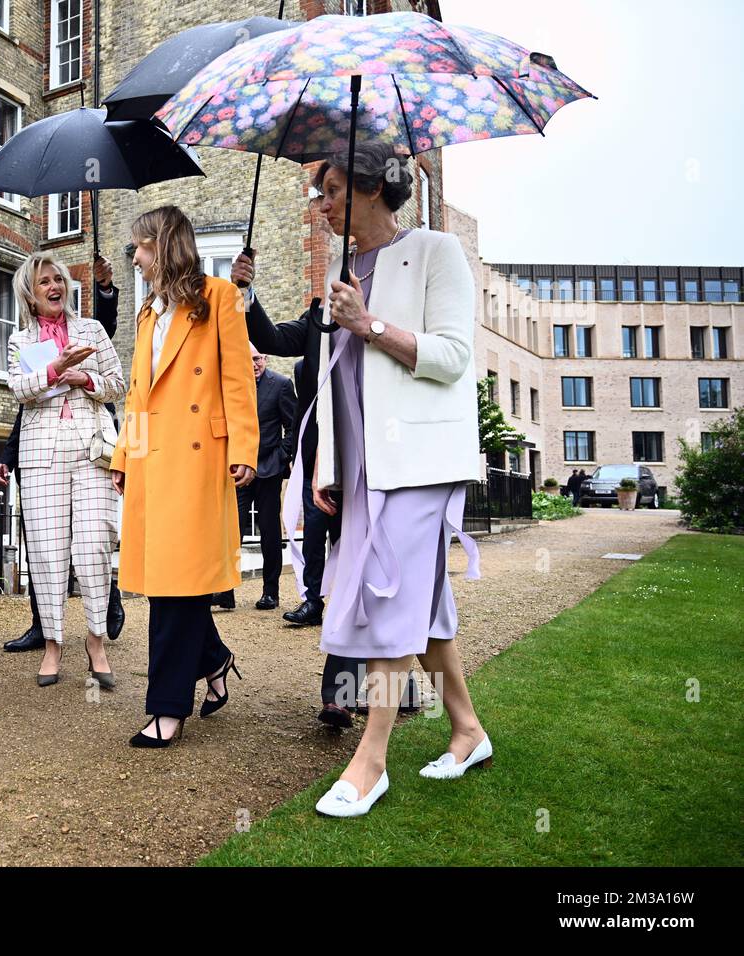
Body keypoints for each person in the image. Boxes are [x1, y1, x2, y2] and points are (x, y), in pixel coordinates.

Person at [303, 141, 488, 817]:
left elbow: (452, 355)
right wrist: (330, 464)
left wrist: (369, 322)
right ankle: (467, 730)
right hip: (363, 463)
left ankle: (371, 759)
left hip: (419, 462)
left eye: (330, 191)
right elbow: (338, 380)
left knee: (387, 603)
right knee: (422, 606)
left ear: (373, 187)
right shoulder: (346, 266)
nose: (321, 204)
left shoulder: (437, 252)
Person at [111, 205, 258, 747]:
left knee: (177, 582)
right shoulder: (148, 312)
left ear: (164, 244)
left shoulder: (219, 298)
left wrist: (244, 445)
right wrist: (126, 456)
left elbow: (237, 378)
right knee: (169, 581)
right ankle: (214, 659)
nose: (136, 257)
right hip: (153, 460)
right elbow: (138, 398)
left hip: (199, 458)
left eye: (141, 247)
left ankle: (166, 706)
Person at [233, 253, 363, 730]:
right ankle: (337, 692)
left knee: (362, 574)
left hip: (371, 462)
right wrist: (246, 292)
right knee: (319, 544)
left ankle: (389, 681)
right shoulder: (317, 319)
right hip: (320, 461)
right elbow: (270, 338)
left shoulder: (385, 316)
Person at [6, 253, 126, 687]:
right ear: (31, 294)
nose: (55, 286)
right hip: (41, 457)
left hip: (93, 451)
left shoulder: (91, 330)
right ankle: (53, 644)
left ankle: (95, 640)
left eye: (59, 278)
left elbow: (119, 383)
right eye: (45, 283)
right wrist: (58, 367)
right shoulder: (21, 340)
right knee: (47, 551)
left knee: (94, 544)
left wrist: (85, 380)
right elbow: (20, 389)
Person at [212, 344, 296, 611]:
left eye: (258, 358)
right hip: (238, 471)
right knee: (230, 532)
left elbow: (293, 427)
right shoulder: (233, 386)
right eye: (249, 359)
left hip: (269, 470)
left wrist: (281, 456)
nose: (255, 363)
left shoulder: (282, 384)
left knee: (269, 533)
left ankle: (270, 592)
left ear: (266, 358)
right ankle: (225, 592)